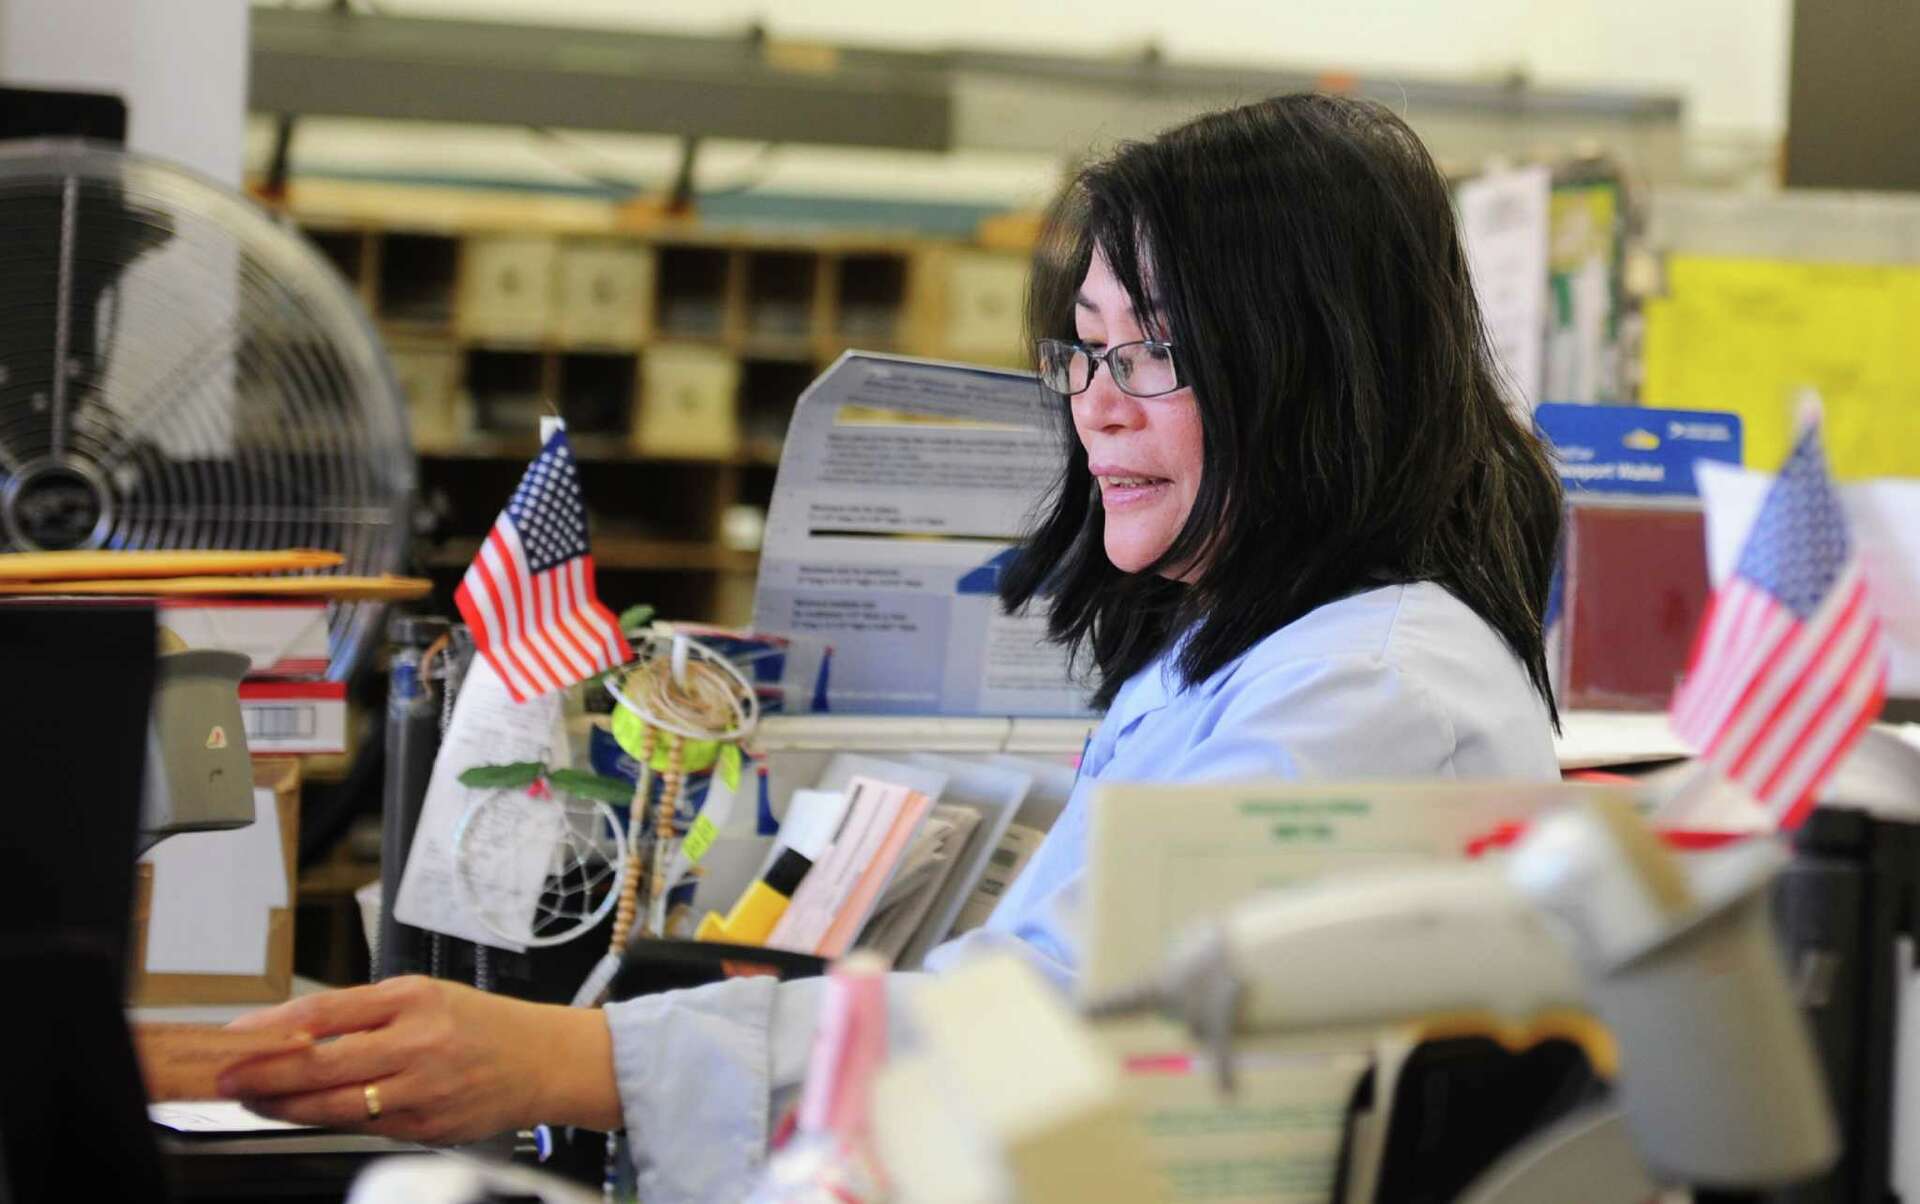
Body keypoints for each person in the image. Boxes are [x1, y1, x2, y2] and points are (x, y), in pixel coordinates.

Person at [218, 93, 1565, 1202]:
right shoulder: (1250, 647)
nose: (1095, 413)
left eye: (1153, 356)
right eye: (1082, 354)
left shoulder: (1372, 693)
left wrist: (580, 1062)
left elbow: (1065, 1044)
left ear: (1310, 370)